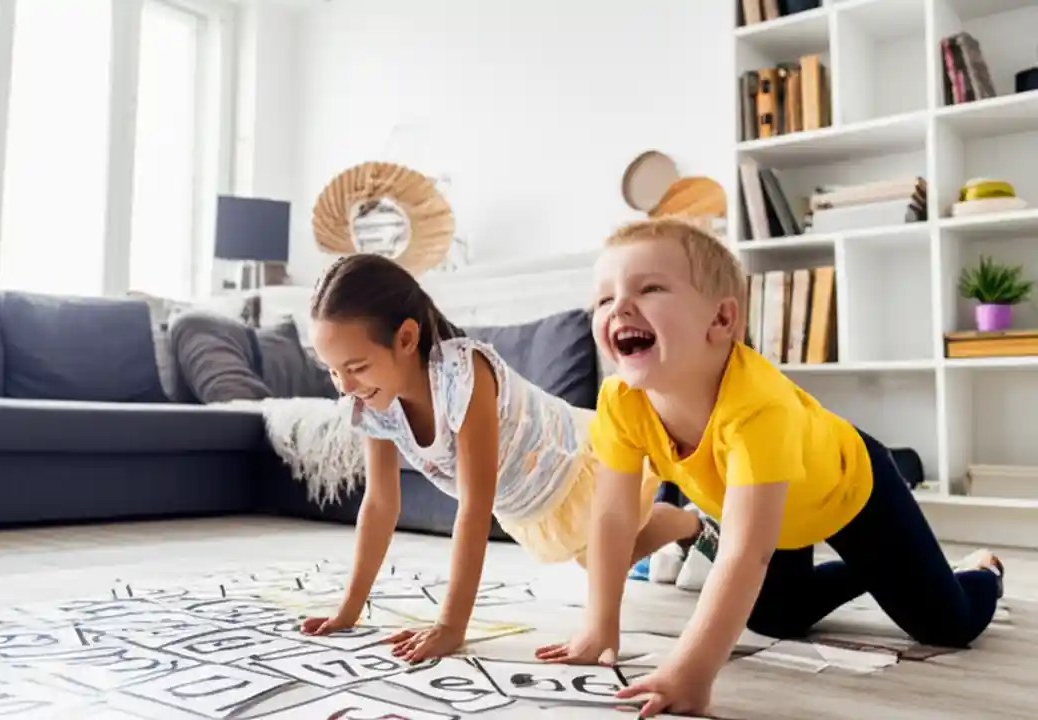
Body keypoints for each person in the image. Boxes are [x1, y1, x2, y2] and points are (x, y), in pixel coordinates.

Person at [555, 217, 1004, 717]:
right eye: (602, 299)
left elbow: (746, 553)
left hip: (851, 489)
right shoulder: (620, 402)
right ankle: (873, 571)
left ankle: (981, 570)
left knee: (948, 627)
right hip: (774, 519)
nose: (619, 307)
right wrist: (599, 622)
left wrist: (691, 669)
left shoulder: (756, 407)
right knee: (775, 618)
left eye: (650, 287)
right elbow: (614, 518)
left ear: (722, 321)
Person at [298, 253, 721, 664]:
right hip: (530, 503)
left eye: (356, 366)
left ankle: (695, 523)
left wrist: (450, 625)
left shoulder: (464, 374)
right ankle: (692, 524)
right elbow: (379, 504)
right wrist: (350, 609)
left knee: (608, 559)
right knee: (604, 560)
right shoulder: (373, 405)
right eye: (333, 370)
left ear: (406, 339)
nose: (344, 386)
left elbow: (474, 507)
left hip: (581, 466)